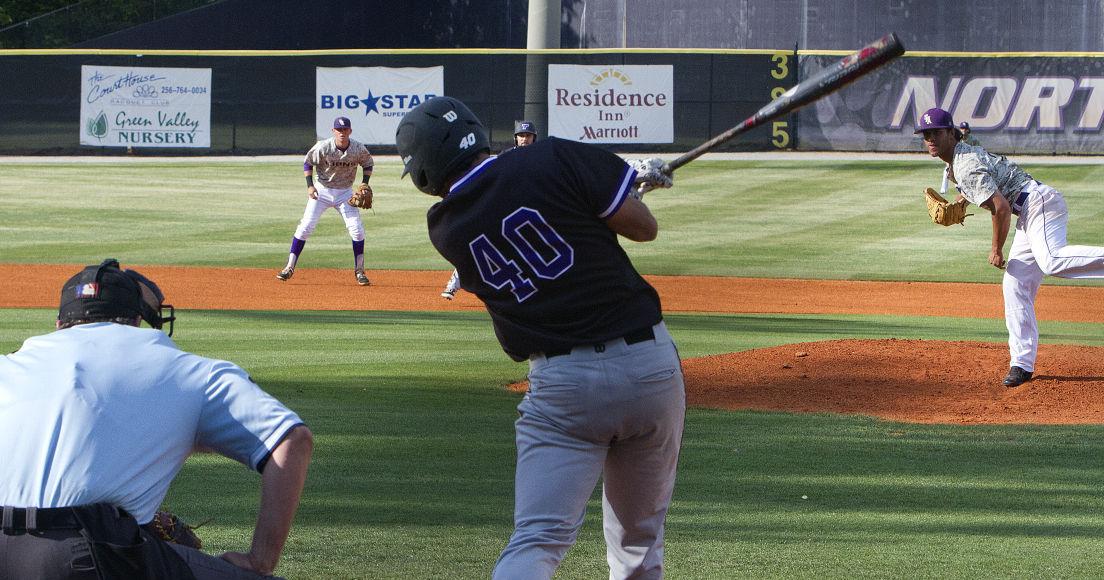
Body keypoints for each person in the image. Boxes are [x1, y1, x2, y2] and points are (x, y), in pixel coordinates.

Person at [397, 97, 682, 579]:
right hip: (647, 371)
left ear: (424, 169)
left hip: (561, 386)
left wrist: (609, 189)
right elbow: (643, 229)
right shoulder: (552, 156)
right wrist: (625, 187)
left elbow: (530, 217)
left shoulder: (446, 227)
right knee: (638, 543)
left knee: (537, 540)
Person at [0, 259, 313, 579]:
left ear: (59, 323)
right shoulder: (188, 371)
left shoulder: (9, 366)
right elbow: (291, 439)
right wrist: (260, 559)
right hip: (86, 553)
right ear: (136, 319)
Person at [917, 107, 1104, 387]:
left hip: (1038, 203)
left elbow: (1001, 208)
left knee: (1051, 260)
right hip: (1031, 209)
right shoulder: (959, 159)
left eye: (936, 132)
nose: (930, 138)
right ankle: (1022, 364)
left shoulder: (963, 164)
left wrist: (996, 248)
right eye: (926, 134)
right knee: (1015, 285)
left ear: (950, 133)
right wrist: (962, 201)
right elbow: (986, 179)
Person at [440, 119, 540, 300]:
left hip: (529, 213)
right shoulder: (505, 157)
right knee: (477, 246)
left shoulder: (541, 158)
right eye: (521, 136)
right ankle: (454, 284)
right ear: (515, 138)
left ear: (534, 138)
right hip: (504, 211)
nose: (525, 139)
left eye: (528, 135)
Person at [277, 116, 375, 286]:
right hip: (321, 191)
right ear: (333, 131)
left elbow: (368, 163)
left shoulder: (358, 148)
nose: (342, 133)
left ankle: (359, 271)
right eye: (339, 130)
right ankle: (289, 267)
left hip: (345, 193)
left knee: (357, 230)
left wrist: (365, 182)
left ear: (350, 131)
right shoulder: (323, 147)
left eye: (345, 130)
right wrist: (310, 186)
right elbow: (308, 163)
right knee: (305, 227)